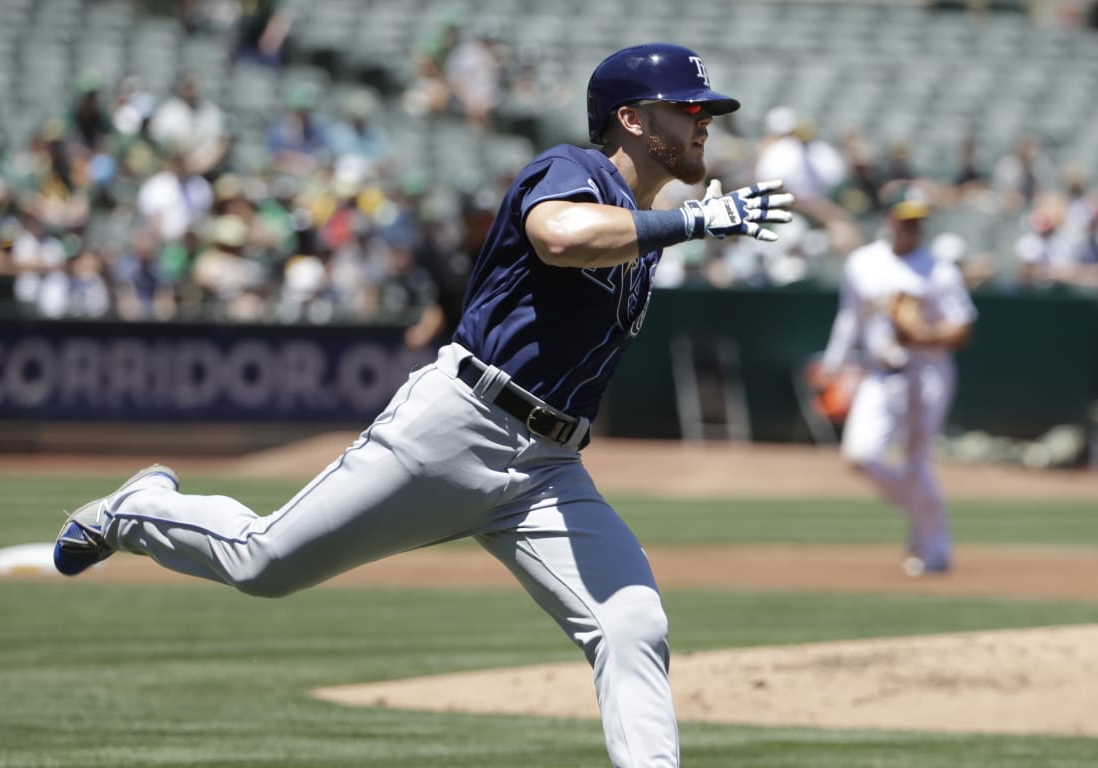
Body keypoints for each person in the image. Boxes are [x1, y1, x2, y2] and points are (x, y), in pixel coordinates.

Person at [50, 43, 793, 768]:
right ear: (632, 119)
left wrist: (682, 224)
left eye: (708, 110)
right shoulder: (574, 170)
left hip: (549, 469)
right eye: (688, 108)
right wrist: (699, 220)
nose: (704, 121)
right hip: (458, 424)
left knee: (632, 623)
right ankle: (134, 509)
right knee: (263, 562)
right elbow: (561, 237)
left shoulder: (644, 230)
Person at [817, 185, 977, 576]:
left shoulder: (939, 269)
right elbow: (850, 318)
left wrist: (923, 336)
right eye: (905, 219)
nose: (912, 226)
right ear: (888, 219)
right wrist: (833, 363)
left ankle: (935, 550)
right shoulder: (864, 263)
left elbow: (962, 329)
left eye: (918, 220)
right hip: (879, 372)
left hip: (928, 373)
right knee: (860, 456)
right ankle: (923, 511)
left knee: (917, 462)